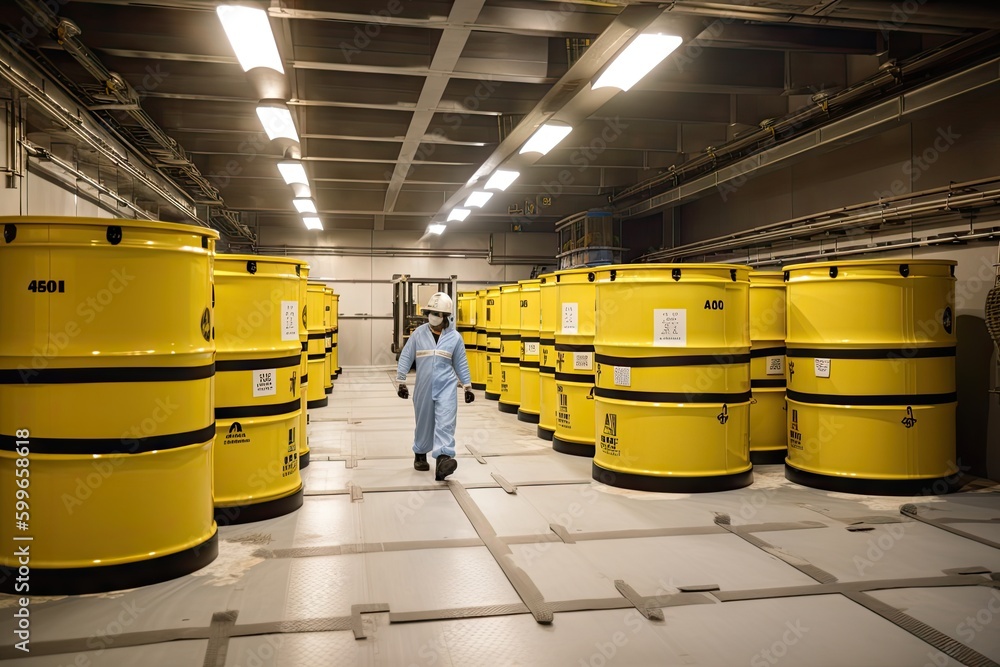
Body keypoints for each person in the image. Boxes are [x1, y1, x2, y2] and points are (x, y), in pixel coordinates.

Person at [396, 292, 475, 481]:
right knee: (424, 422)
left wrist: (467, 386)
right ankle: (420, 453)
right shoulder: (419, 333)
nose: (433, 316)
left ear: (446, 317)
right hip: (423, 386)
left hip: (446, 386)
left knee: (446, 421)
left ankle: (443, 458)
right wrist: (401, 381)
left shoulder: (454, 337)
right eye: (431, 312)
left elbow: (461, 362)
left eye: (437, 313)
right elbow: (407, 355)